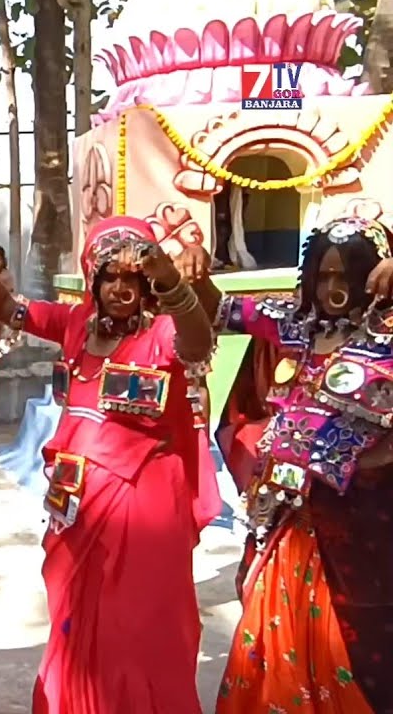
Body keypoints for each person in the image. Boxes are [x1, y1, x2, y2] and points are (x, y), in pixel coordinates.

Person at [0, 211, 221, 713]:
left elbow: (198, 340)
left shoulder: (163, 333)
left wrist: (168, 276)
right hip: (74, 503)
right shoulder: (75, 324)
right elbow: (3, 306)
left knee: (137, 625)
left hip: (143, 504)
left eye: (132, 279)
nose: (120, 289)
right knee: (76, 615)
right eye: (109, 278)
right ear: (93, 280)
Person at [190, 216, 393, 713]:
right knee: (271, 639)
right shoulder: (297, 326)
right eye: (323, 277)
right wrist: (188, 279)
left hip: (362, 527)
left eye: (346, 276)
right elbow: (225, 311)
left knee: (362, 646)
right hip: (287, 522)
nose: (333, 288)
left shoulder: (387, 336)